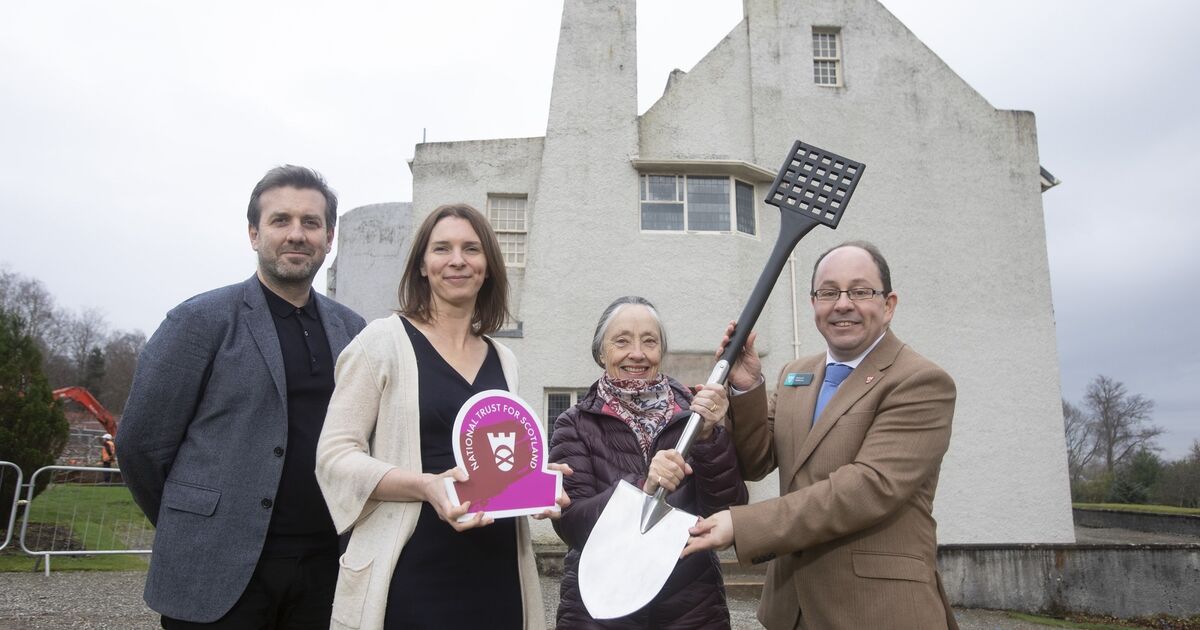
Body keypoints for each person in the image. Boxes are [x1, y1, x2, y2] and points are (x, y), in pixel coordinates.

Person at [116, 165, 367, 628]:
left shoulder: (354, 332)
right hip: (215, 568)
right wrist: (194, 521)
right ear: (254, 234)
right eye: (280, 221)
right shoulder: (198, 321)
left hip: (324, 569)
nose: (297, 234)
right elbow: (140, 447)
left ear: (329, 238)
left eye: (311, 223)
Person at [315, 203, 568, 630]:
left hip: (497, 571)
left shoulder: (503, 359)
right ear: (422, 266)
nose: (457, 260)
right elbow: (335, 455)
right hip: (413, 573)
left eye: (471, 249)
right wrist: (426, 486)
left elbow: (494, 463)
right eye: (442, 249)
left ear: (487, 267)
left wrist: (533, 480)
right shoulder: (380, 342)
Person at [684, 241, 959, 630]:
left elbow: (868, 488)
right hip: (792, 609)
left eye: (860, 291)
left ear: (889, 304)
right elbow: (757, 461)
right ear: (813, 304)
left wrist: (742, 525)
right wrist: (747, 386)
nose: (842, 303)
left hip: (879, 610)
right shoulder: (798, 373)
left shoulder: (920, 382)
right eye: (828, 292)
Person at [549, 296, 748, 629]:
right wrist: (642, 488)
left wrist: (710, 437)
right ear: (601, 352)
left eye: (649, 341)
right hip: (601, 607)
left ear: (661, 351)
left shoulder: (695, 416)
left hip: (691, 606)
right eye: (622, 341)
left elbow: (727, 510)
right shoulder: (575, 423)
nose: (637, 353)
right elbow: (572, 524)